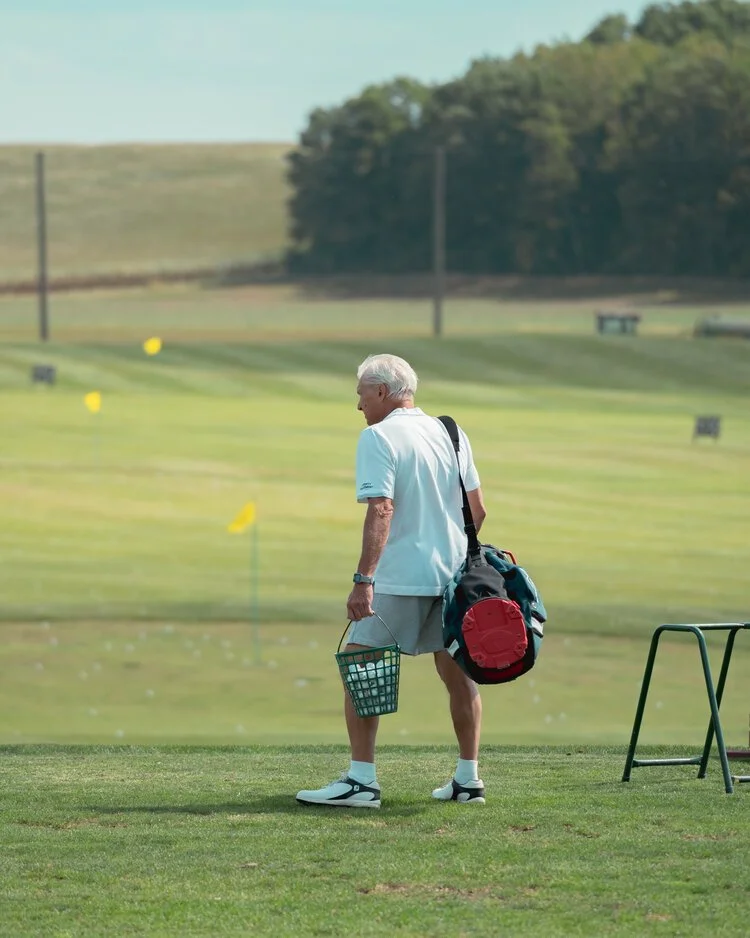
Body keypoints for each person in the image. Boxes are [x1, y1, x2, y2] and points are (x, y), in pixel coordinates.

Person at [296, 353, 488, 809]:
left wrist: (364, 580)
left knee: (360, 665)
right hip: (454, 578)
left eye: (361, 393)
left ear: (382, 392)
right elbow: (477, 511)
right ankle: (468, 780)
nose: (358, 405)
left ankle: (361, 781)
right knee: (458, 675)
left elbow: (381, 509)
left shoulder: (377, 437)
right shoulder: (450, 432)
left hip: (401, 578)